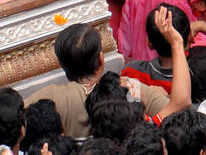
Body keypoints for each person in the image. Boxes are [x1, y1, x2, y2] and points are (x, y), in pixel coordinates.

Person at [26, 16, 188, 138]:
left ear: (62, 64)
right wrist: (176, 44)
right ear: (101, 60)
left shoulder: (51, 97)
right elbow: (179, 106)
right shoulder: (128, 89)